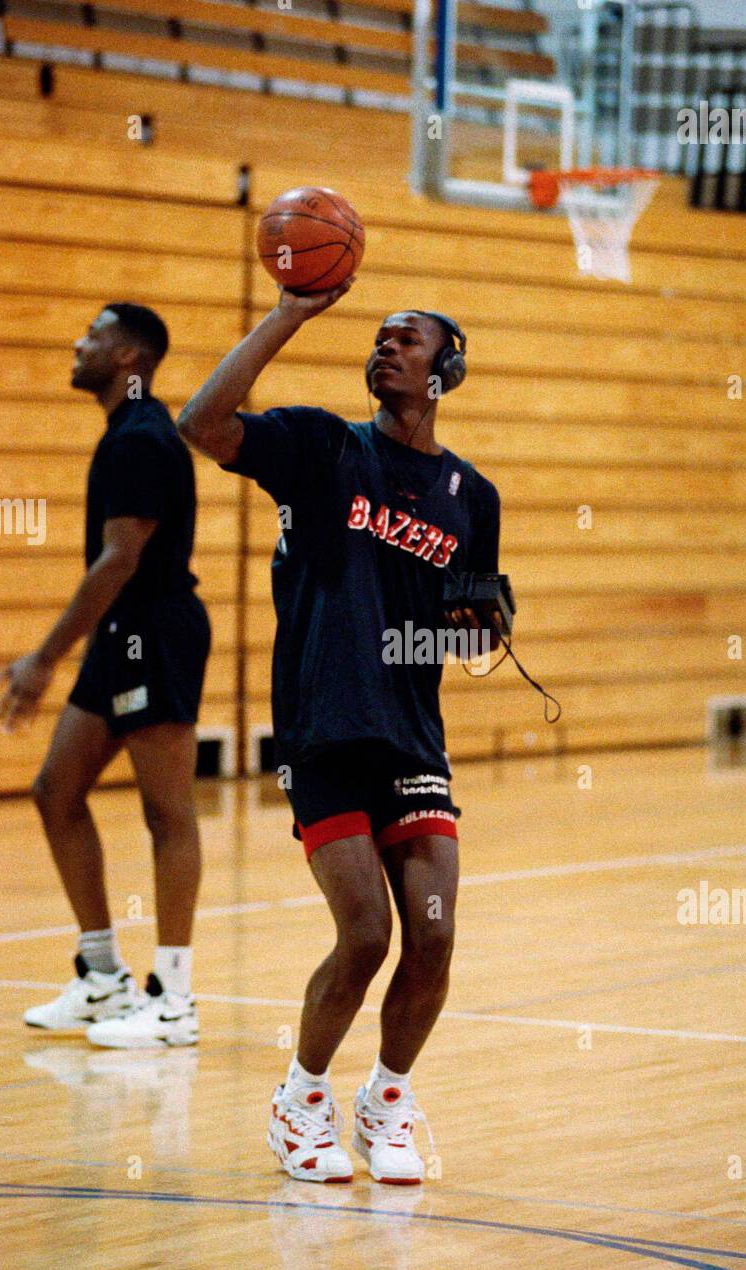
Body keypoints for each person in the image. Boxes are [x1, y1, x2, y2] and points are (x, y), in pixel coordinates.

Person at [178, 282, 501, 1182]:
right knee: (364, 933)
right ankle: (299, 1099)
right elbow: (202, 424)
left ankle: (387, 1098)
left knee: (430, 933)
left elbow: (464, 624)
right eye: (379, 338)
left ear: (446, 372)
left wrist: (478, 626)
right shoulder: (322, 446)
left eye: (408, 341)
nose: (385, 348)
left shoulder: (470, 494)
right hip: (323, 728)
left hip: (412, 740)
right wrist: (290, 313)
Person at [0, 304, 211, 1048]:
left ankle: (174, 998)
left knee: (165, 812)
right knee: (56, 789)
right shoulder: (126, 432)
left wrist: (44, 658)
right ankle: (102, 977)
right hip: (123, 635)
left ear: (129, 358)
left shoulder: (145, 437)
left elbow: (119, 561)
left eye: (93, 334)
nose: (77, 341)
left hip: (157, 633)